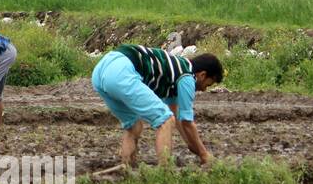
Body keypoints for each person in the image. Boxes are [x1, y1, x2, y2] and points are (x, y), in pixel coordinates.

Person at [92, 44, 220, 167]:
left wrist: (193, 146)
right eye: (208, 84)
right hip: (122, 69)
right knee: (165, 120)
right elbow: (186, 121)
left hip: (102, 69)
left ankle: (126, 169)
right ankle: (164, 173)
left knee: (134, 125)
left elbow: (178, 117)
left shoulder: (175, 72)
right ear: (202, 75)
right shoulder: (187, 76)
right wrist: (203, 154)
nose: (204, 90)